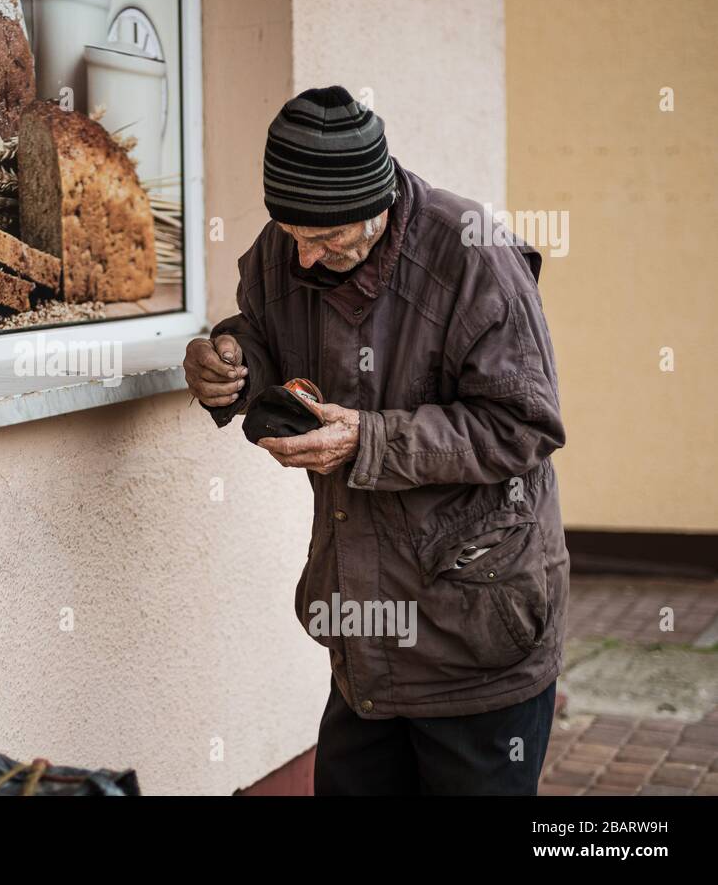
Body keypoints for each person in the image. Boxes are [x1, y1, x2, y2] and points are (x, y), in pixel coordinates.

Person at [184, 86, 568, 794]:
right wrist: (231, 363)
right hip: (363, 639)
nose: (308, 255)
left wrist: (369, 441)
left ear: (382, 200)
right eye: (295, 234)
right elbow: (266, 337)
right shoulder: (288, 249)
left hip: (476, 634)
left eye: (331, 239)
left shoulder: (472, 259)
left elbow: (524, 425)